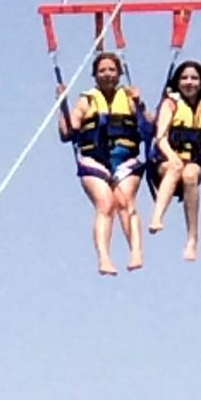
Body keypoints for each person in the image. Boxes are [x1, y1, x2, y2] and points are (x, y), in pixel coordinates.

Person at [57, 51, 150, 275]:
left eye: (111, 70)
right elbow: (67, 133)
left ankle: (136, 252)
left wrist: (140, 104)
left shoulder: (129, 98)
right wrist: (62, 105)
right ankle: (104, 258)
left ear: (119, 74)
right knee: (105, 204)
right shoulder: (86, 100)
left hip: (125, 160)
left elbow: (151, 126)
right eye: (102, 70)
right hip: (94, 160)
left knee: (125, 202)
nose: (107, 74)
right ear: (95, 75)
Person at [148, 59, 201, 261]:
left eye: (194, 78)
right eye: (184, 78)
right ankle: (157, 216)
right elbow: (160, 137)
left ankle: (192, 239)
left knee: (190, 173)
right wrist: (172, 157)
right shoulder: (170, 104)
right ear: (177, 82)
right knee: (176, 168)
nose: (189, 82)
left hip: (192, 164)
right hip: (165, 163)